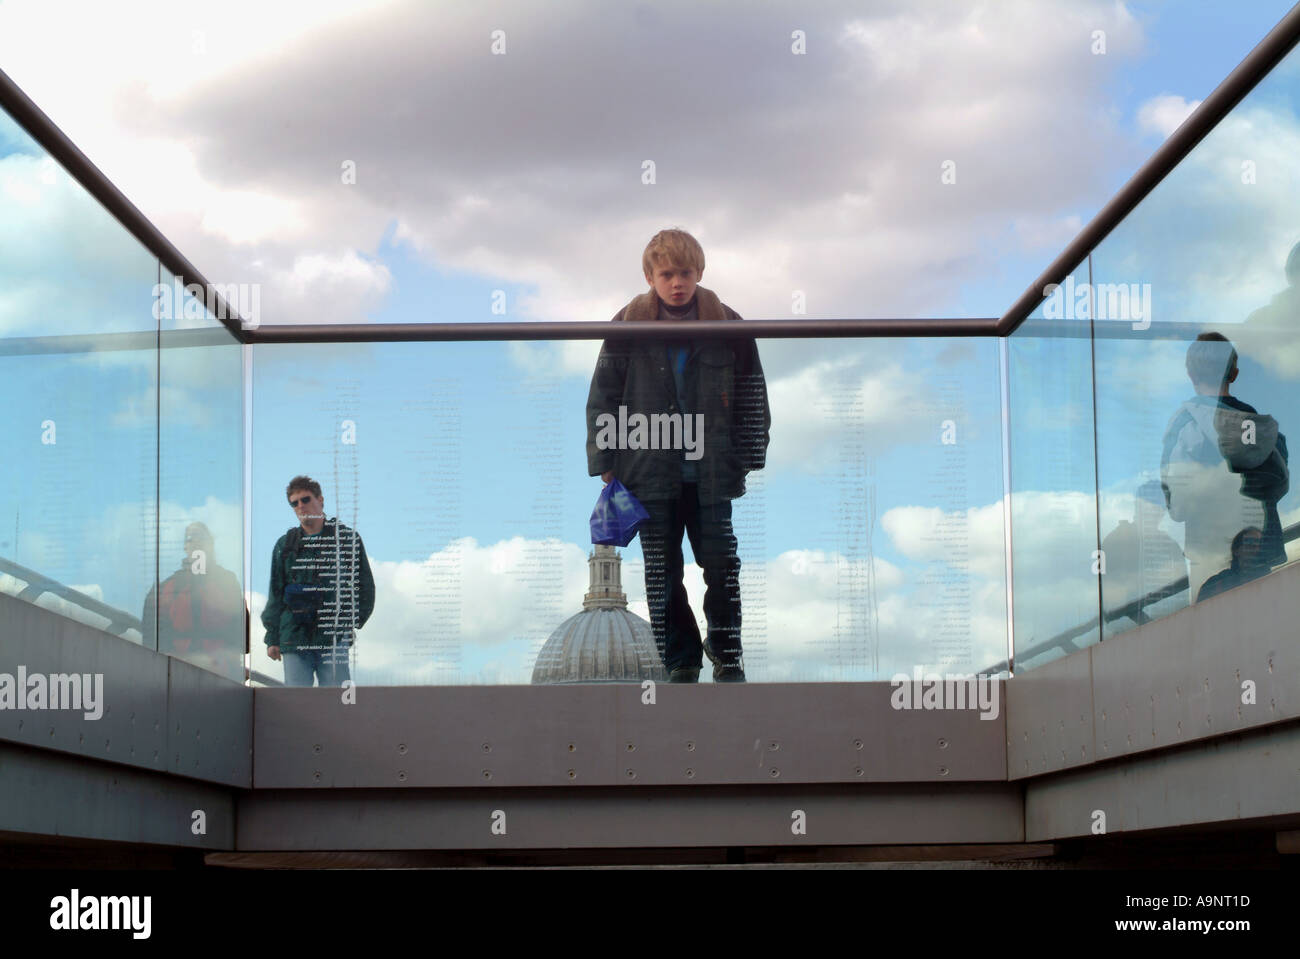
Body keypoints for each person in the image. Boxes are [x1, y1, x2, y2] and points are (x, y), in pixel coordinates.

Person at [586, 229, 770, 683]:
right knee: (662, 573)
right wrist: (605, 458)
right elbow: (603, 394)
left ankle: (727, 655)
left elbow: (752, 392)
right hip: (649, 471)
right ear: (650, 276)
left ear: (699, 273)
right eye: (667, 274)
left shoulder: (729, 324)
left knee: (722, 566)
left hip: (711, 472)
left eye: (685, 273)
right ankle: (680, 661)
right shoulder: (626, 325)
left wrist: (750, 453)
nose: (677, 283)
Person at [1160, 333, 1289, 602]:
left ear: (1190, 374)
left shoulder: (1184, 425)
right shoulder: (1262, 427)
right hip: (1258, 553)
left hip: (1209, 555)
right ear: (1234, 373)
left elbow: (1178, 508)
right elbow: (1277, 485)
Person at [261, 476, 375, 687]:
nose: (301, 506)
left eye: (305, 499)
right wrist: (272, 638)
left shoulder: (346, 539)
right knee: (296, 705)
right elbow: (275, 593)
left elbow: (365, 585)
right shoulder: (285, 545)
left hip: (332, 636)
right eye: (294, 503)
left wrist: (352, 621)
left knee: (334, 704)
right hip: (293, 637)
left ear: (320, 500)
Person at [142, 521, 247, 683]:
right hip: (178, 671)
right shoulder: (167, 586)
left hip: (220, 671)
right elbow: (151, 633)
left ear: (211, 544)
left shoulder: (227, 581)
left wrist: (231, 661)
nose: (196, 542)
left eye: (201, 537)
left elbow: (240, 630)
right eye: (191, 538)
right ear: (185, 547)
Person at [1099, 481, 1187, 628]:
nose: (1156, 509)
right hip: (1127, 631)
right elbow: (1112, 599)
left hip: (1169, 625)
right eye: (1151, 502)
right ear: (1137, 505)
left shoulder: (1170, 545)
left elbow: (1183, 593)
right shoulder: (1117, 541)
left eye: (1161, 505)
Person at [1197, 527, 1271, 602]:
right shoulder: (1215, 583)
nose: (1256, 546)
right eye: (1250, 542)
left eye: (1261, 544)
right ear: (1236, 551)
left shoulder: (1273, 578)